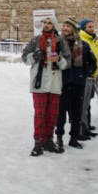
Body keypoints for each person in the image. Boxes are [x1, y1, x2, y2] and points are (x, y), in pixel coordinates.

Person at [22, 16, 70, 156]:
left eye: (49, 23)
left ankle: (48, 139)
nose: (46, 25)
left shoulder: (61, 42)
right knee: (40, 113)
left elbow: (67, 62)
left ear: (54, 25)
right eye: (45, 23)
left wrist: (59, 60)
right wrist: (35, 55)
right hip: (40, 82)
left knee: (52, 114)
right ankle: (38, 141)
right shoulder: (36, 40)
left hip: (55, 82)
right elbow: (25, 58)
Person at [56, 19, 95, 150]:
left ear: (73, 28)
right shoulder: (58, 44)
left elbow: (92, 62)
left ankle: (74, 138)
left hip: (78, 83)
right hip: (63, 83)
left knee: (77, 113)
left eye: (67, 26)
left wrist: (85, 74)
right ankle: (59, 138)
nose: (65, 28)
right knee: (60, 113)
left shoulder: (83, 45)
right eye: (64, 26)